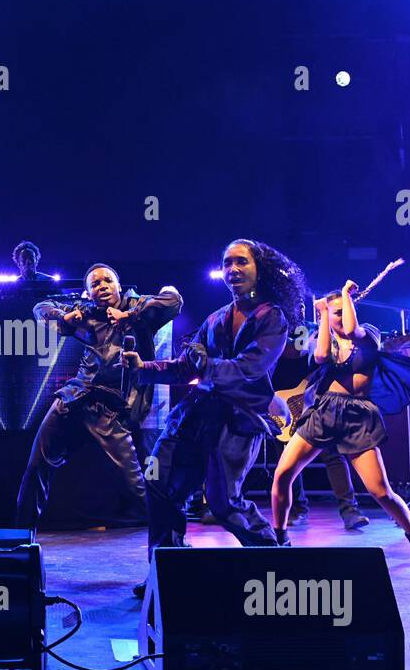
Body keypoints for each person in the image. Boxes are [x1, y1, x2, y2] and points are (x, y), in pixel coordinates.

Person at [121, 239, 309, 597]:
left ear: (260, 269)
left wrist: (203, 366)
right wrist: (142, 367)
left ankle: (275, 562)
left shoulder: (273, 318)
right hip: (193, 418)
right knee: (159, 487)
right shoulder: (216, 318)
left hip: (236, 423)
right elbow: (184, 368)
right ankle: (165, 571)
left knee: (224, 504)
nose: (232, 270)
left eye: (241, 262)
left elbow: (248, 370)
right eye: (227, 263)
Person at [16, 263, 182, 528]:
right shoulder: (86, 314)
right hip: (75, 398)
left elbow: (173, 300)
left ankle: (171, 540)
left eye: (107, 281)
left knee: (135, 484)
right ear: (88, 293)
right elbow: (40, 308)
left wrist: (131, 315)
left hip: (112, 409)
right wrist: (63, 318)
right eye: (95, 284)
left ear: (118, 285)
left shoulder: (140, 310)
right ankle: (22, 536)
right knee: (38, 464)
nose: (102, 286)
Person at [269, 284, 410, 555]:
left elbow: (354, 330)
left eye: (345, 311)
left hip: (357, 417)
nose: (340, 318)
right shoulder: (324, 341)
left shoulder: (369, 335)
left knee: (381, 492)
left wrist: (345, 295)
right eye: (335, 314)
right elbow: (319, 357)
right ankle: (280, 538)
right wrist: (322, 316)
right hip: (324, 412)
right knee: (282, 475)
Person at [269, 338, 370, 530]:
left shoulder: (310, 330)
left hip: (317, 401)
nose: (298, 308)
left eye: (300, 305)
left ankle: (350, 510)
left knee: (333, 455)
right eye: (294, 305)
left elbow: (311, 354)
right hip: (284, 402)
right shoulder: (272, 329)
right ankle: (297, 509)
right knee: (287, 463)